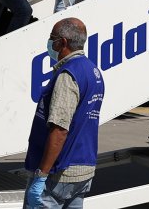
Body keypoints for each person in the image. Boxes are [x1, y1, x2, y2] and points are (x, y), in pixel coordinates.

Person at [23, 18, 103, 209]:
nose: (50, 43)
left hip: (59, 172)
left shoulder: (68, 75)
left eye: (53, 38)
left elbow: (59, 130)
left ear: (63, 42)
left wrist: (42, 175)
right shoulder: (93, 71)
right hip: (84, 169)